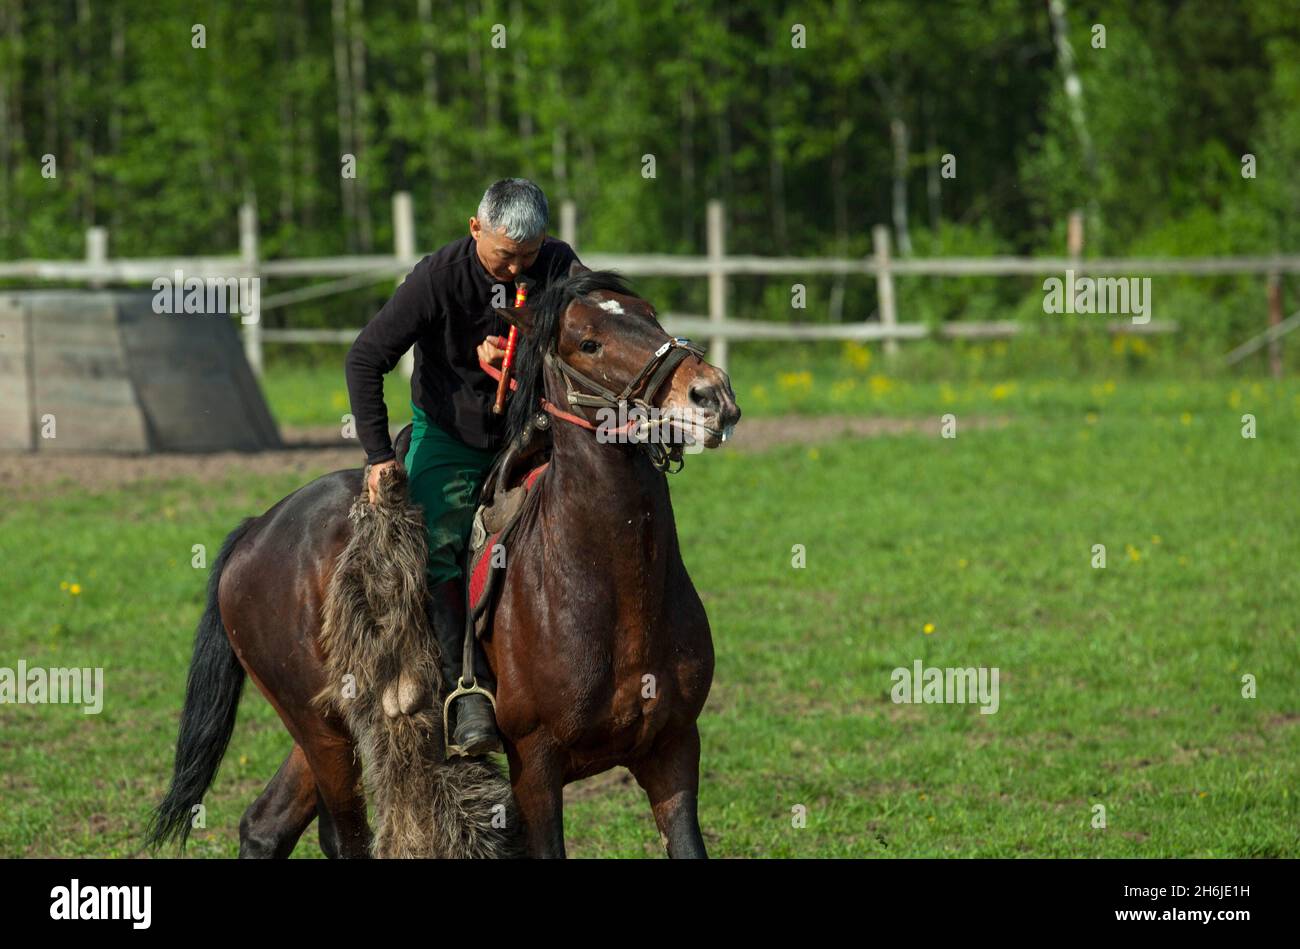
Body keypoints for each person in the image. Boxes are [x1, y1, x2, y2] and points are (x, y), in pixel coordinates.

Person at [345, 178, 580, 755]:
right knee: (434, 546)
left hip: (532, 434)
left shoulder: (558, 265)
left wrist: (530, 349)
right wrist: (377, 456)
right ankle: (464, 692)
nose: (516, 270)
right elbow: (365, 359)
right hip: (450, 436)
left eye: (528, 257)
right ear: (476, 229)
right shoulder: (437, 278)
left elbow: (592, 332)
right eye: (504, 256)